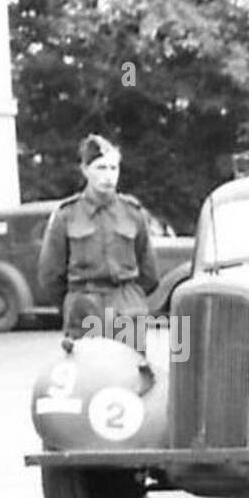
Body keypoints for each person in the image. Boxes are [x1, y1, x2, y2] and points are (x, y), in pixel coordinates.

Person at [39, 134, 159, 350]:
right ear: (85, 170)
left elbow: (149, 273)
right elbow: (50, 276)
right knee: (88, 377)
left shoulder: (133, 213)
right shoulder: (67, 215)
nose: (108, 176)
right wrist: (73, 302)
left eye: (114, 168)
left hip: (126, 310)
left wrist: (129, 297)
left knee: (130, 375)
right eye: (101, 168)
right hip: (85, 312)